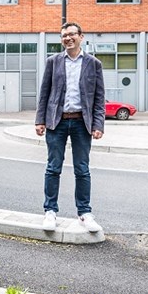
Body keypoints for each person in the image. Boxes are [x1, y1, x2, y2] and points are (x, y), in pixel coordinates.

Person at [35, 22, 106, 233]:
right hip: (56, 122)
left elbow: (99, 98)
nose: (68, 38)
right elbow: (44, 93)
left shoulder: (94, 64)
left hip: (81, 124)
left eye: (72, 34)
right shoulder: (53, 62)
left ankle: (84, 213)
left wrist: (98, 123)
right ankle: (50, 211)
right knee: (53, 167)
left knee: (82, 169)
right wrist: (40, 120)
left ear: (81, 37)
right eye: (64, 35)